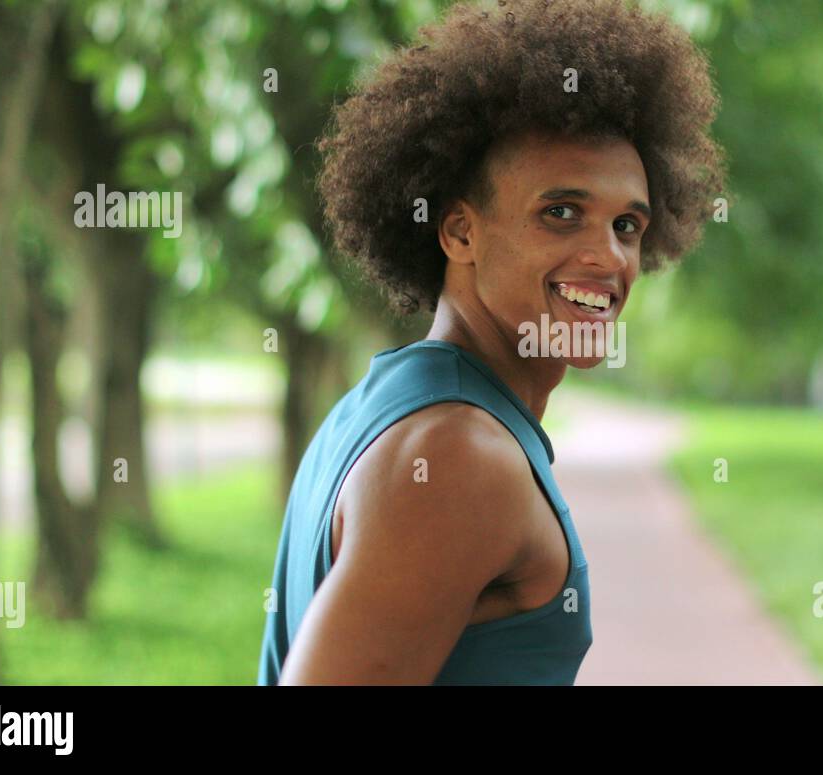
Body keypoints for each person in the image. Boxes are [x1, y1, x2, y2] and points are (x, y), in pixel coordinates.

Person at [257, 0, 725, 685]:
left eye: (627, 224)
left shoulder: (389, 406)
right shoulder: (459, 457)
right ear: (459, 233)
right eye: (561, 213)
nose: (607, 256)